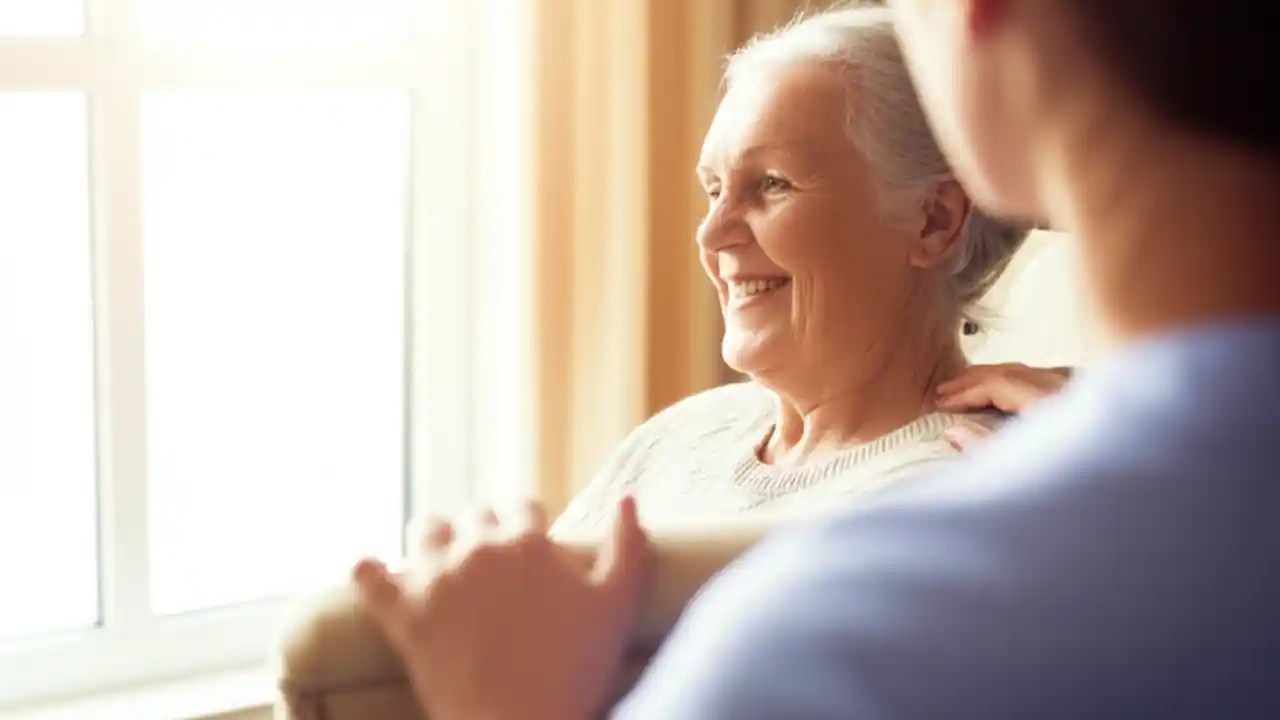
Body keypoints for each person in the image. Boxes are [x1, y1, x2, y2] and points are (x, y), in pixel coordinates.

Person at [352, 0, 1280, 716]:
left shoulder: (843, 612)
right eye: (713, 186)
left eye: (772, 186)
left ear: (935, 217)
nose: (712, 231)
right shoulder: (679, 439)